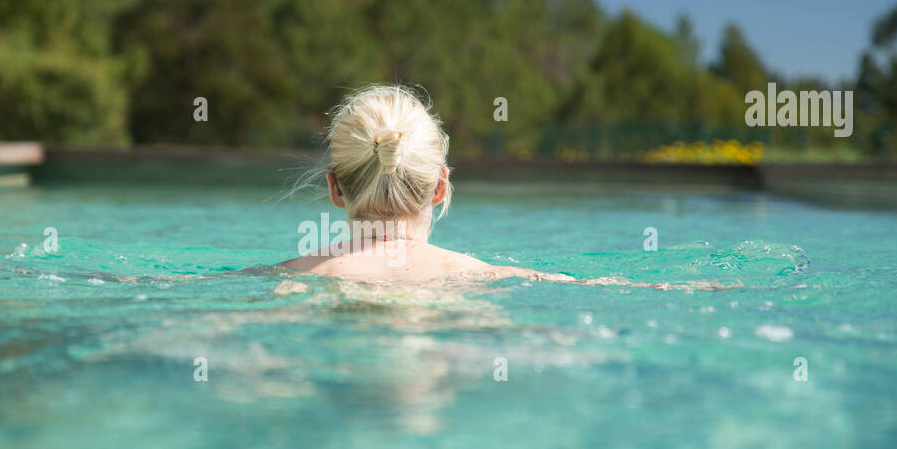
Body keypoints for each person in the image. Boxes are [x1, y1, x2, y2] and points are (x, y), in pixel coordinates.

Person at [278, 84, 725, 290]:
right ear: (439, 187)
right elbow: (612, 286)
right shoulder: (480, 275)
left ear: (335, 189)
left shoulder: (291, 278)